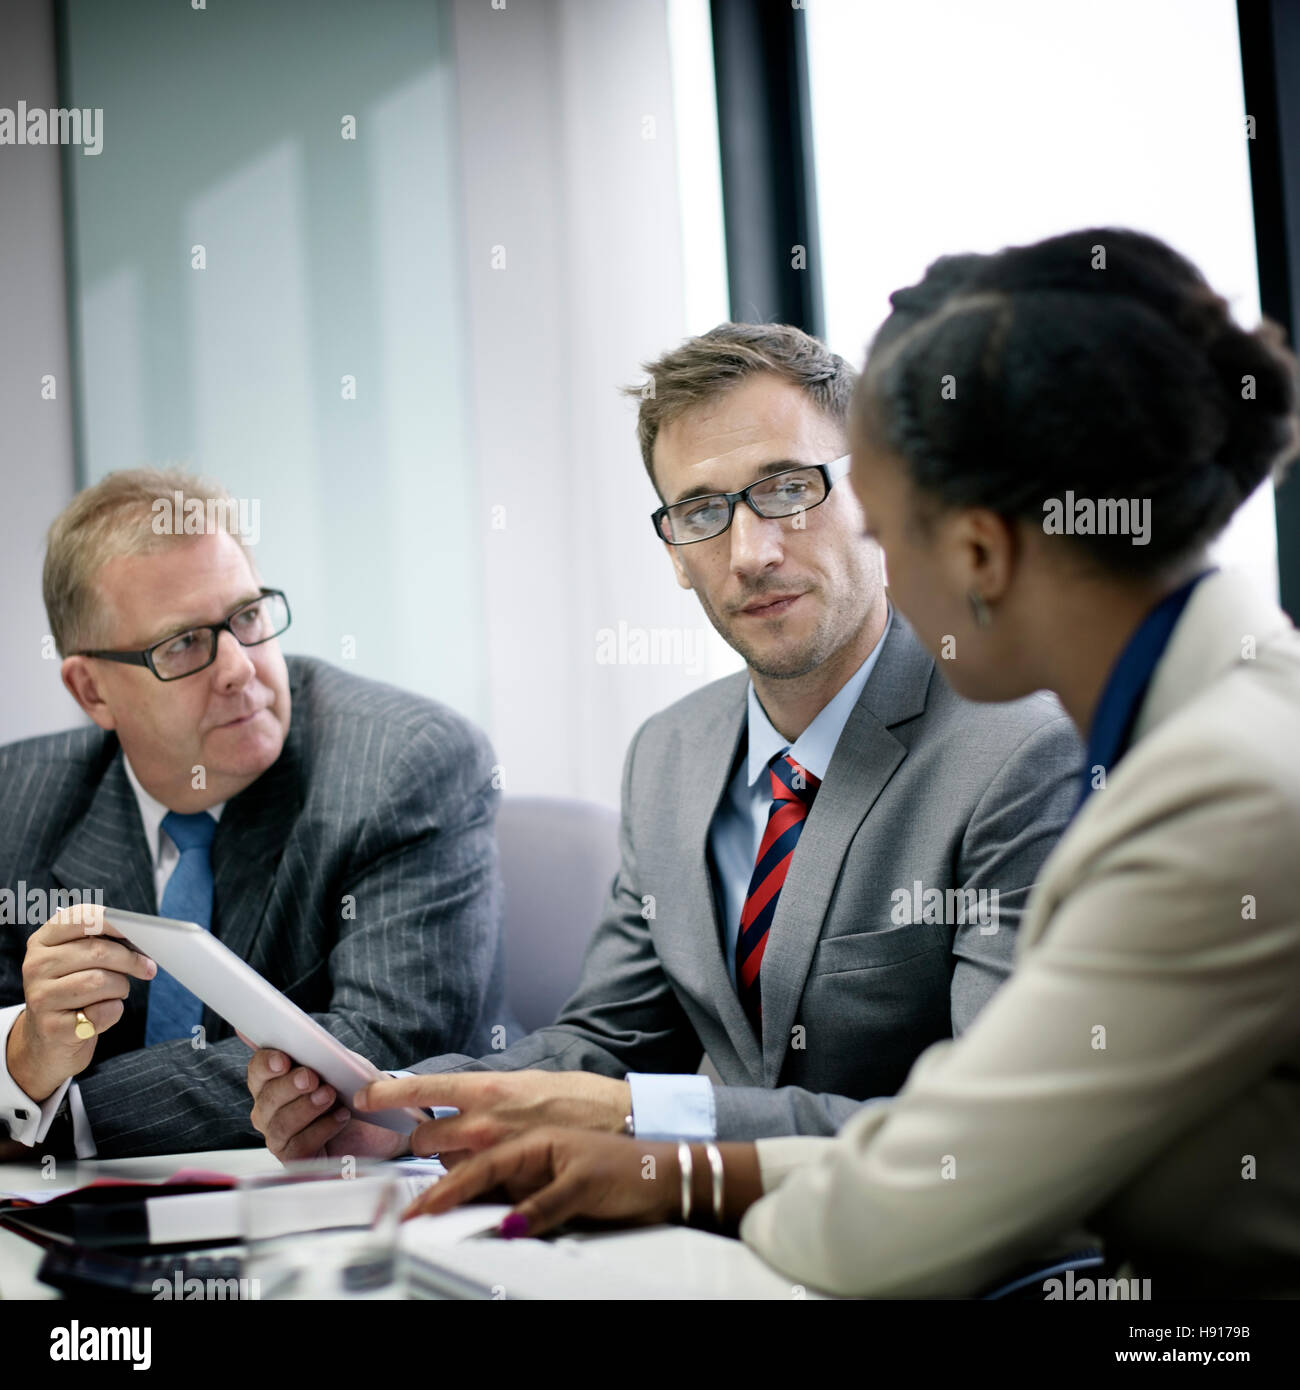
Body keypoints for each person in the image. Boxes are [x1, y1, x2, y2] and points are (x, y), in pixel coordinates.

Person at [397, 228, 1300, 1300]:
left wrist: (681, 1170)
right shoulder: (1224, 725)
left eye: (862, 515)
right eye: (703, 513)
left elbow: (922, 1204)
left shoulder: (1214, 791)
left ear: (974, 554)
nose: (757, 551)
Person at [248, 323, 1081, 1164]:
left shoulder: (1020, 751)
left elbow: (991, 1139)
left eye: (789, 489)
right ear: (676, 554)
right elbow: (610, 1046)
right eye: (702, 511)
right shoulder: (670, 754)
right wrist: (401, 1114)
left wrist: (648, 1121)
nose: (751, 553)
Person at [0, 468, 510, 1159]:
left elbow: (379, 1055)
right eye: (182, 643)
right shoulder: (18, 799)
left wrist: (49, 1103)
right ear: (92, 690)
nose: (240, 667)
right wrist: (26, 1052)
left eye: (246, 616)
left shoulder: (402, 765)